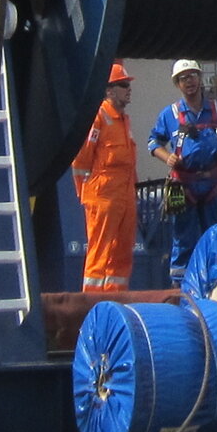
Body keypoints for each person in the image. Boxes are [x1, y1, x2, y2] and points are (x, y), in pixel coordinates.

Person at [147, 59, 217, 281]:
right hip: (181, 185)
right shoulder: (170, 114)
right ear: (177, 84)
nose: (188, 81)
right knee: (183, 238)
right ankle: (180, 288)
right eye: (183, 78)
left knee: (216, 235)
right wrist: (166, 156)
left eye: (192, 76)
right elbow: (153, 142)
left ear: (199, 79)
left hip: (213, 184)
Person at [71, 62, 138, 290]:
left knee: (122, 253)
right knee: (100, 252)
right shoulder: (99, 116)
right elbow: (81, 160)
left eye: (127, 85)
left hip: (124, 194)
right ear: (109, 90)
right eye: (122, 85)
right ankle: (91, 303)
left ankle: (115, 299)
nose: (128, 89)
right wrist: (87, 191)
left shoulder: (124, 120)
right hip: (103, 194)